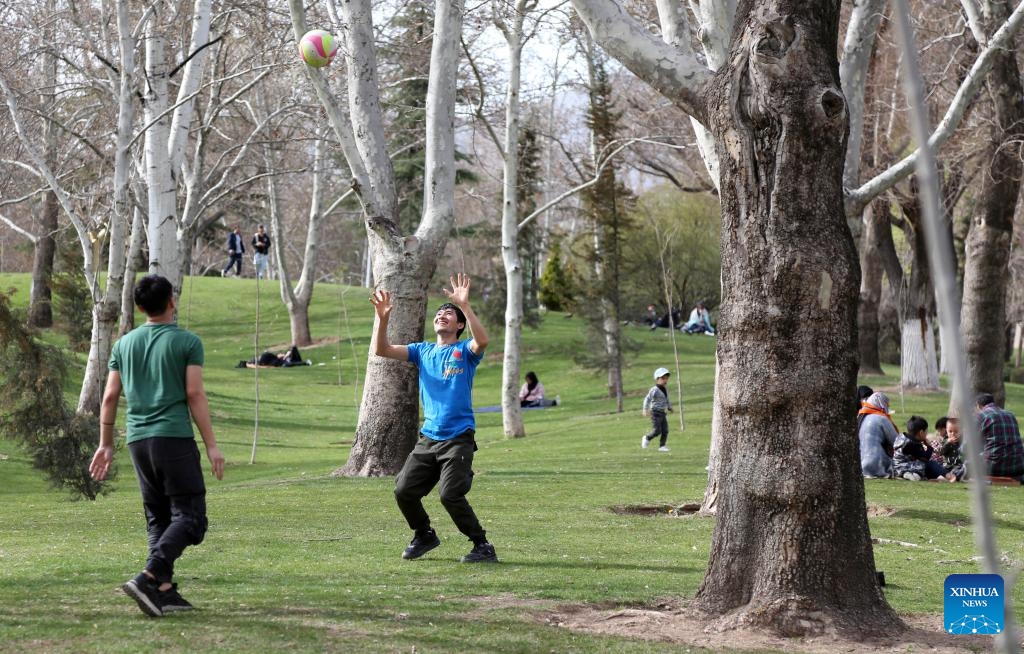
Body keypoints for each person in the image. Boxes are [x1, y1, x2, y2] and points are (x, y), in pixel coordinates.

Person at [88, 274, 225, 617]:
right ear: (171, 302)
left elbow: (109, 397)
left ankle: (162, 590)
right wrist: (211, 445)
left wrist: (105, 444)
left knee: (159, 518)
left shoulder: (123, 345)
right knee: (191, 518)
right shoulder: (187, 342)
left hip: (137, 441)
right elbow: (194, 393)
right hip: (173, 438)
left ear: (138, 308)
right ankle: (149, 576)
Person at [369, 273, 498, 563]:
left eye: (449, 314)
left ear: (459, 325)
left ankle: (482, 545)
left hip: (458, 438)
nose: (442, 315)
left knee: (449, 494)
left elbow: (483, 340)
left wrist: (464, 305)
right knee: (403, 490)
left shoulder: (464, 351)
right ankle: (424, 534)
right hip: (429, 437)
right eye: (439, 313)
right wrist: (383, 318)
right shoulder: (422, 351)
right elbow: (382, 349)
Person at [975, 393, 1024, 479]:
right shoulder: (1011, 415)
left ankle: (953, 475)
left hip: (993, 467)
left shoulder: (981, 415)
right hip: (1017, 466)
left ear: (978, 405)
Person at [892, 415, 955, 481]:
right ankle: (949, 476)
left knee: (928, 466)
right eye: (926, 431)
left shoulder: (902, 437)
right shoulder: (913, 444)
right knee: (930, 463)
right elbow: (926, 457)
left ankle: (912, 475)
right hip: (904, 468)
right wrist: (929, 446)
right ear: (921, 433)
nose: (926, 434)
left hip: (896, 468)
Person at [858, 391, 898, 478]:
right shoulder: (881, 418)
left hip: (860, 464)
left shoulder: (860, 416)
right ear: (882, 403)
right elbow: (896, 442)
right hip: (877, 464)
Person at [641, 367, 672, 451]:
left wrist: (669, 407)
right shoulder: (654, 390)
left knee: (665, 430)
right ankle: (647, 438)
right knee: (657, 431)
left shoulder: (665, 389)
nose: (665, 380)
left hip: (662, 413)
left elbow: (667, 399)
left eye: (666, 378)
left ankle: (662, 446)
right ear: (657, 379)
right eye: (663, 378)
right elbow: (647, 399)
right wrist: (645, 409)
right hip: (655, 413)